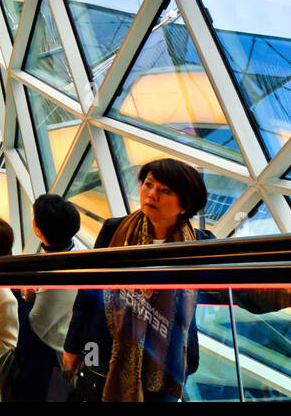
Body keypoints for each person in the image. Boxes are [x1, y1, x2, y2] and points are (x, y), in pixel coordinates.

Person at [62, 158, 210, 403]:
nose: (151, 195)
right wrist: (72, 344)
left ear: (184, 205)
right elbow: (88, 291)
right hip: (104, 350)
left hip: (165, 362)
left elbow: (242, 288)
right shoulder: (114, 230)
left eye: (165, 191)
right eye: (148, 184)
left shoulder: (200, 244)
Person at [13, 194, 81, 401]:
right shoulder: (78, 250)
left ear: (38, 230)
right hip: (69, 326)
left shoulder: (53, 278)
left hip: (53, 342)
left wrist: (26, 298)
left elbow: (35, 324)